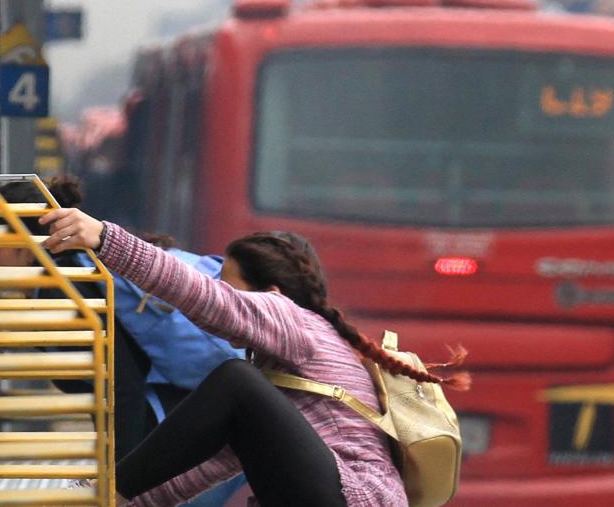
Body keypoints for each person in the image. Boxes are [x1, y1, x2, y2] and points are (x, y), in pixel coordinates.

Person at [39, 208, 469, 507]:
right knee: (236, 387)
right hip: (323, 494)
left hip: (355, 497)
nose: (220, 289)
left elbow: (204, 299)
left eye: (228, 283)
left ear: (270, 295)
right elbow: (206, 467)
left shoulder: (294, 323)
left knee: (234, 379)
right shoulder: (278, 373)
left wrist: (106, 239)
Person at [0, 178, 248, 507]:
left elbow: (120, 383)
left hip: (169, 436)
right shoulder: (76, 271)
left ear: (28, 241)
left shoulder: (64, 289)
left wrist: (118, 484)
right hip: (186, 425)